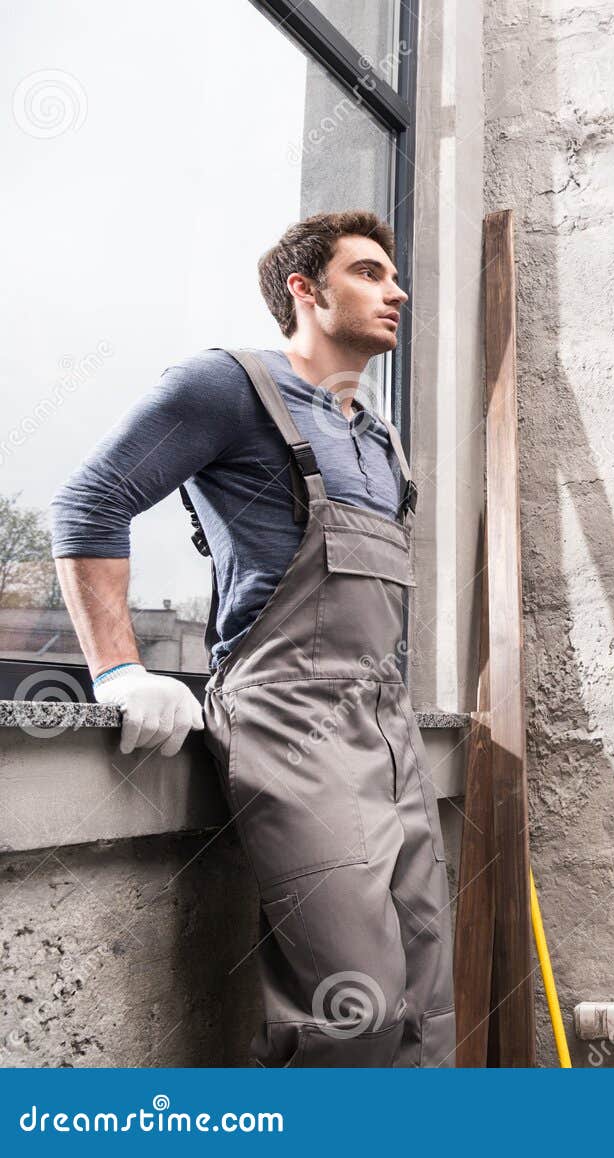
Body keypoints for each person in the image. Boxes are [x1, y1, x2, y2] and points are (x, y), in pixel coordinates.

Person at [50, 210, 455, 1067]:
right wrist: (118, 669)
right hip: (290, 724)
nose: (397, 291)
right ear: (305, 291)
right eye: (370, 273)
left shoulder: (378, 442)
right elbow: (91, 502)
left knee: (426, 998)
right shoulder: (228, 386)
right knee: (359, 1002)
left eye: (393, 275)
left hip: (387, 728)